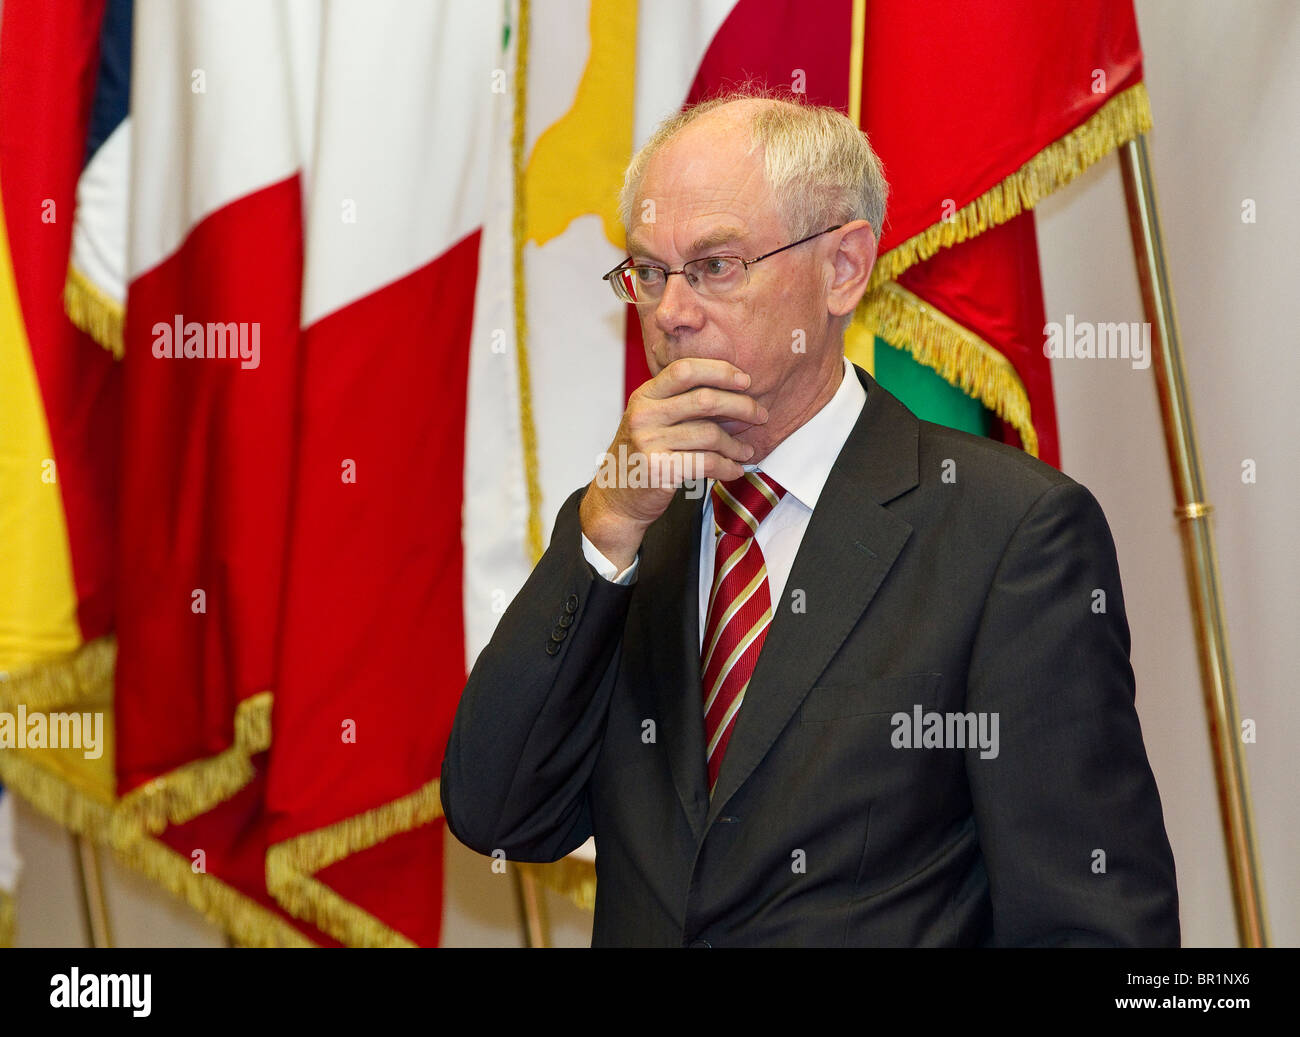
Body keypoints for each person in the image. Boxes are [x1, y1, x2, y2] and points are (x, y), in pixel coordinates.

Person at [441, 92, 1180, 947]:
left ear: (843, 268)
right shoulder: (636, 532)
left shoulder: (1010, 534)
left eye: (715, 265)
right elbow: (496, 813)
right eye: (648, 272)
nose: (671, 312)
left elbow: (1094, 928)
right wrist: (603, 530)